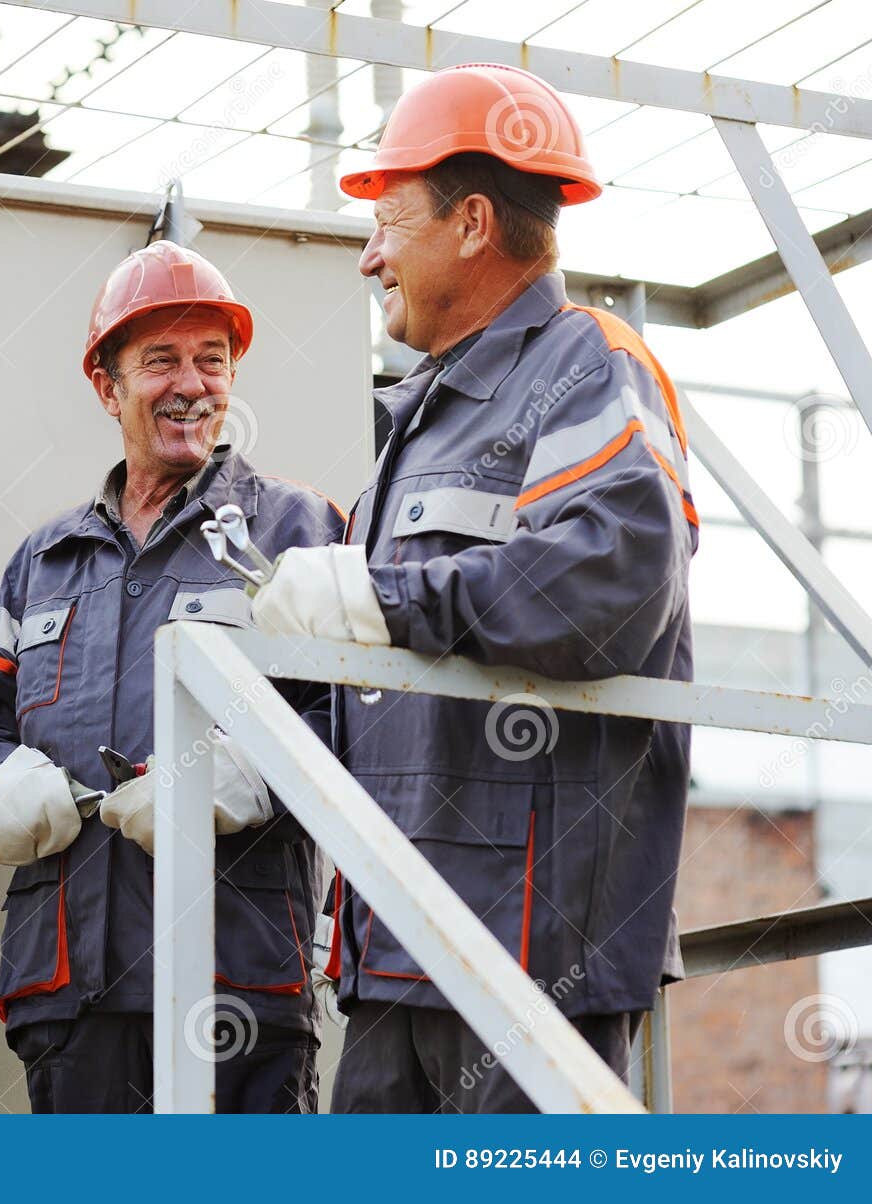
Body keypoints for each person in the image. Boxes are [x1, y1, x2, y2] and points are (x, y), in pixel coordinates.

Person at [251, 64, 697, 1112]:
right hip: (394, 946)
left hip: (528, 953)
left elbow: (615, 574)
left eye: (386, 223)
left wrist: (384, 600)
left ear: (472, 223)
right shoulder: (421, 422)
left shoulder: (588, 363)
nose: (368, 257)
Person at [0, 240, 347, 1113]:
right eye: (161, 360)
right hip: (69, 989)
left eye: (213, 360)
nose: (191, 384)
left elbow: (361, 717)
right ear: (107, 386)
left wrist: (251, 776)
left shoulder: (298, 531)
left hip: (235, 981)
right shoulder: (44, 561)